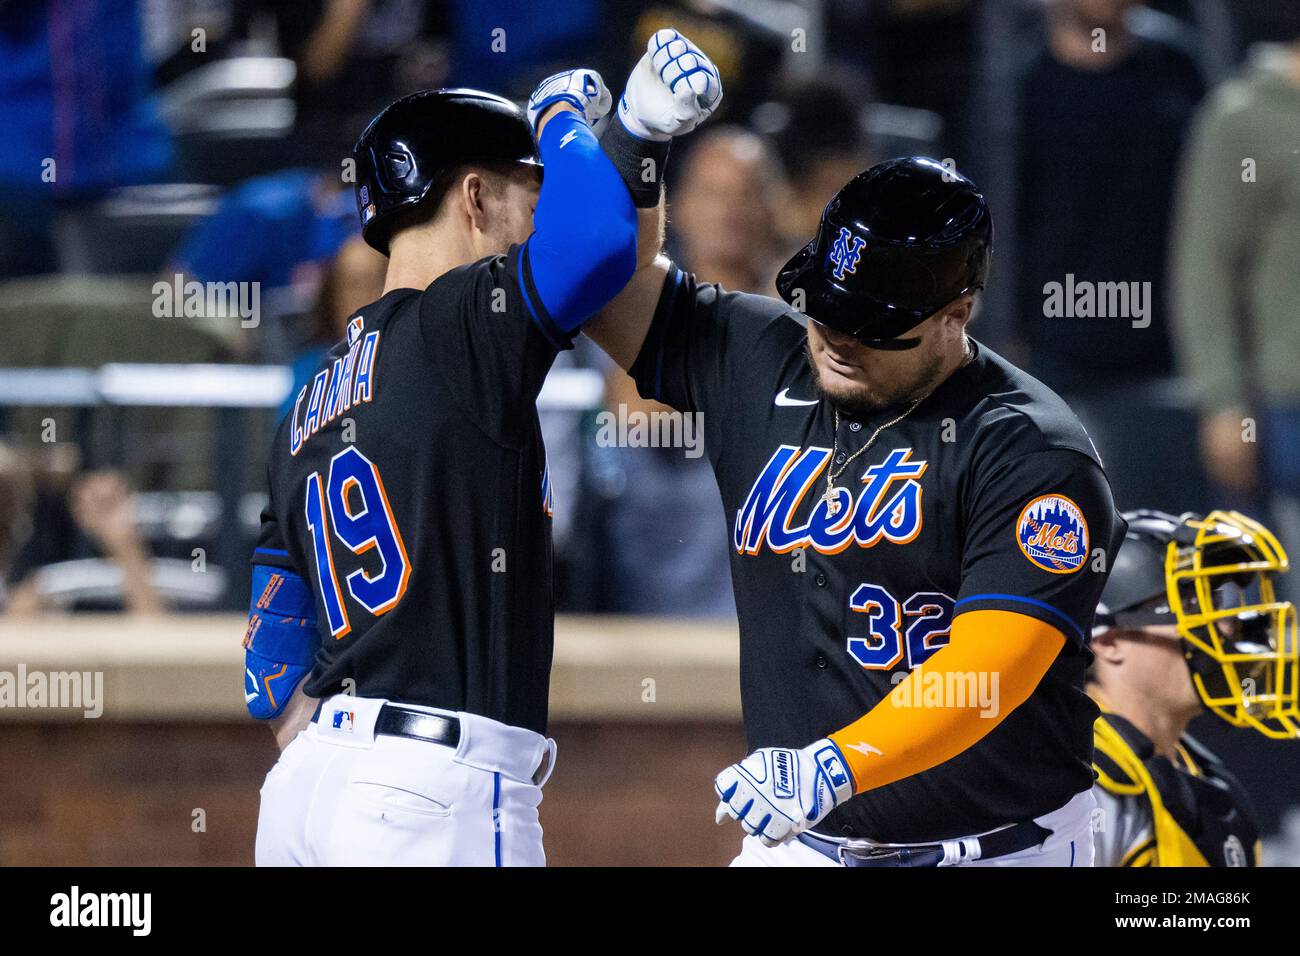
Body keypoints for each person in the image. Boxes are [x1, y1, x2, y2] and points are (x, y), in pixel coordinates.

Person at [244, 31, 721, 867]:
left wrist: (342, 766)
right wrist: (559, 111)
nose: (538, 216)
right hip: (430, 786)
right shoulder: (460, 319)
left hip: (308, 791)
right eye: (528, 194)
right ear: (473, 198)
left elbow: (271, 667)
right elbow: (601, 245)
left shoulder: (310, 398)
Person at [586, 153, 1123, 866]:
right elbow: (601, 288)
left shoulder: (1030, 445)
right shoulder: (763, 357)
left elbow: (990, 672)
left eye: (868, 324)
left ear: (956, 313)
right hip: (802, 841)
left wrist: (834, 767)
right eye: (826, 306)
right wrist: (630, 148)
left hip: (992, 850)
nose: (836, 336)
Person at [1089, 509, 1296, 867]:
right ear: (1109, 642)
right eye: (1188, 603)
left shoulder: (1209, 779)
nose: (1225, 628)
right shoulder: (1078, 784)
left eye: (1212, 602)